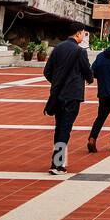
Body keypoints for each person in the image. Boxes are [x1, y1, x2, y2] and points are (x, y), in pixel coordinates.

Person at [43, 24, 94, 176]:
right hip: (72, 96)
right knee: (65, 129)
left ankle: (59, 161)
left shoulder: (58, 48)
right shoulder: (80, 52)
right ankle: (57, 164)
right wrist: (89, 79)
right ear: (78, 34)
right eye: (83, 34)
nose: (84, 36)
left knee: (59, 128)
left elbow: (47, 71)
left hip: (58, 95)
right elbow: (87, 72)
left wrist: (57, 83)